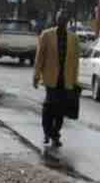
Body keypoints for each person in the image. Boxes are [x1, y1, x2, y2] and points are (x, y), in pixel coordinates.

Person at [33, 10, 80, 148]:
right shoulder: (47, 35)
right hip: (50, 78)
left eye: (65, 20)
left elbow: (75, 61)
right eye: (60, 19)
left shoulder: (74, 38)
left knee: (60, 110)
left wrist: (75, 80)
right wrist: (36, 75)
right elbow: (39, 57)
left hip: (66, 80)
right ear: (56, 19)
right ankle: (48, 132)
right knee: (49, 107)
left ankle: (55, 134)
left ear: (67, 21)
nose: (62, 22)